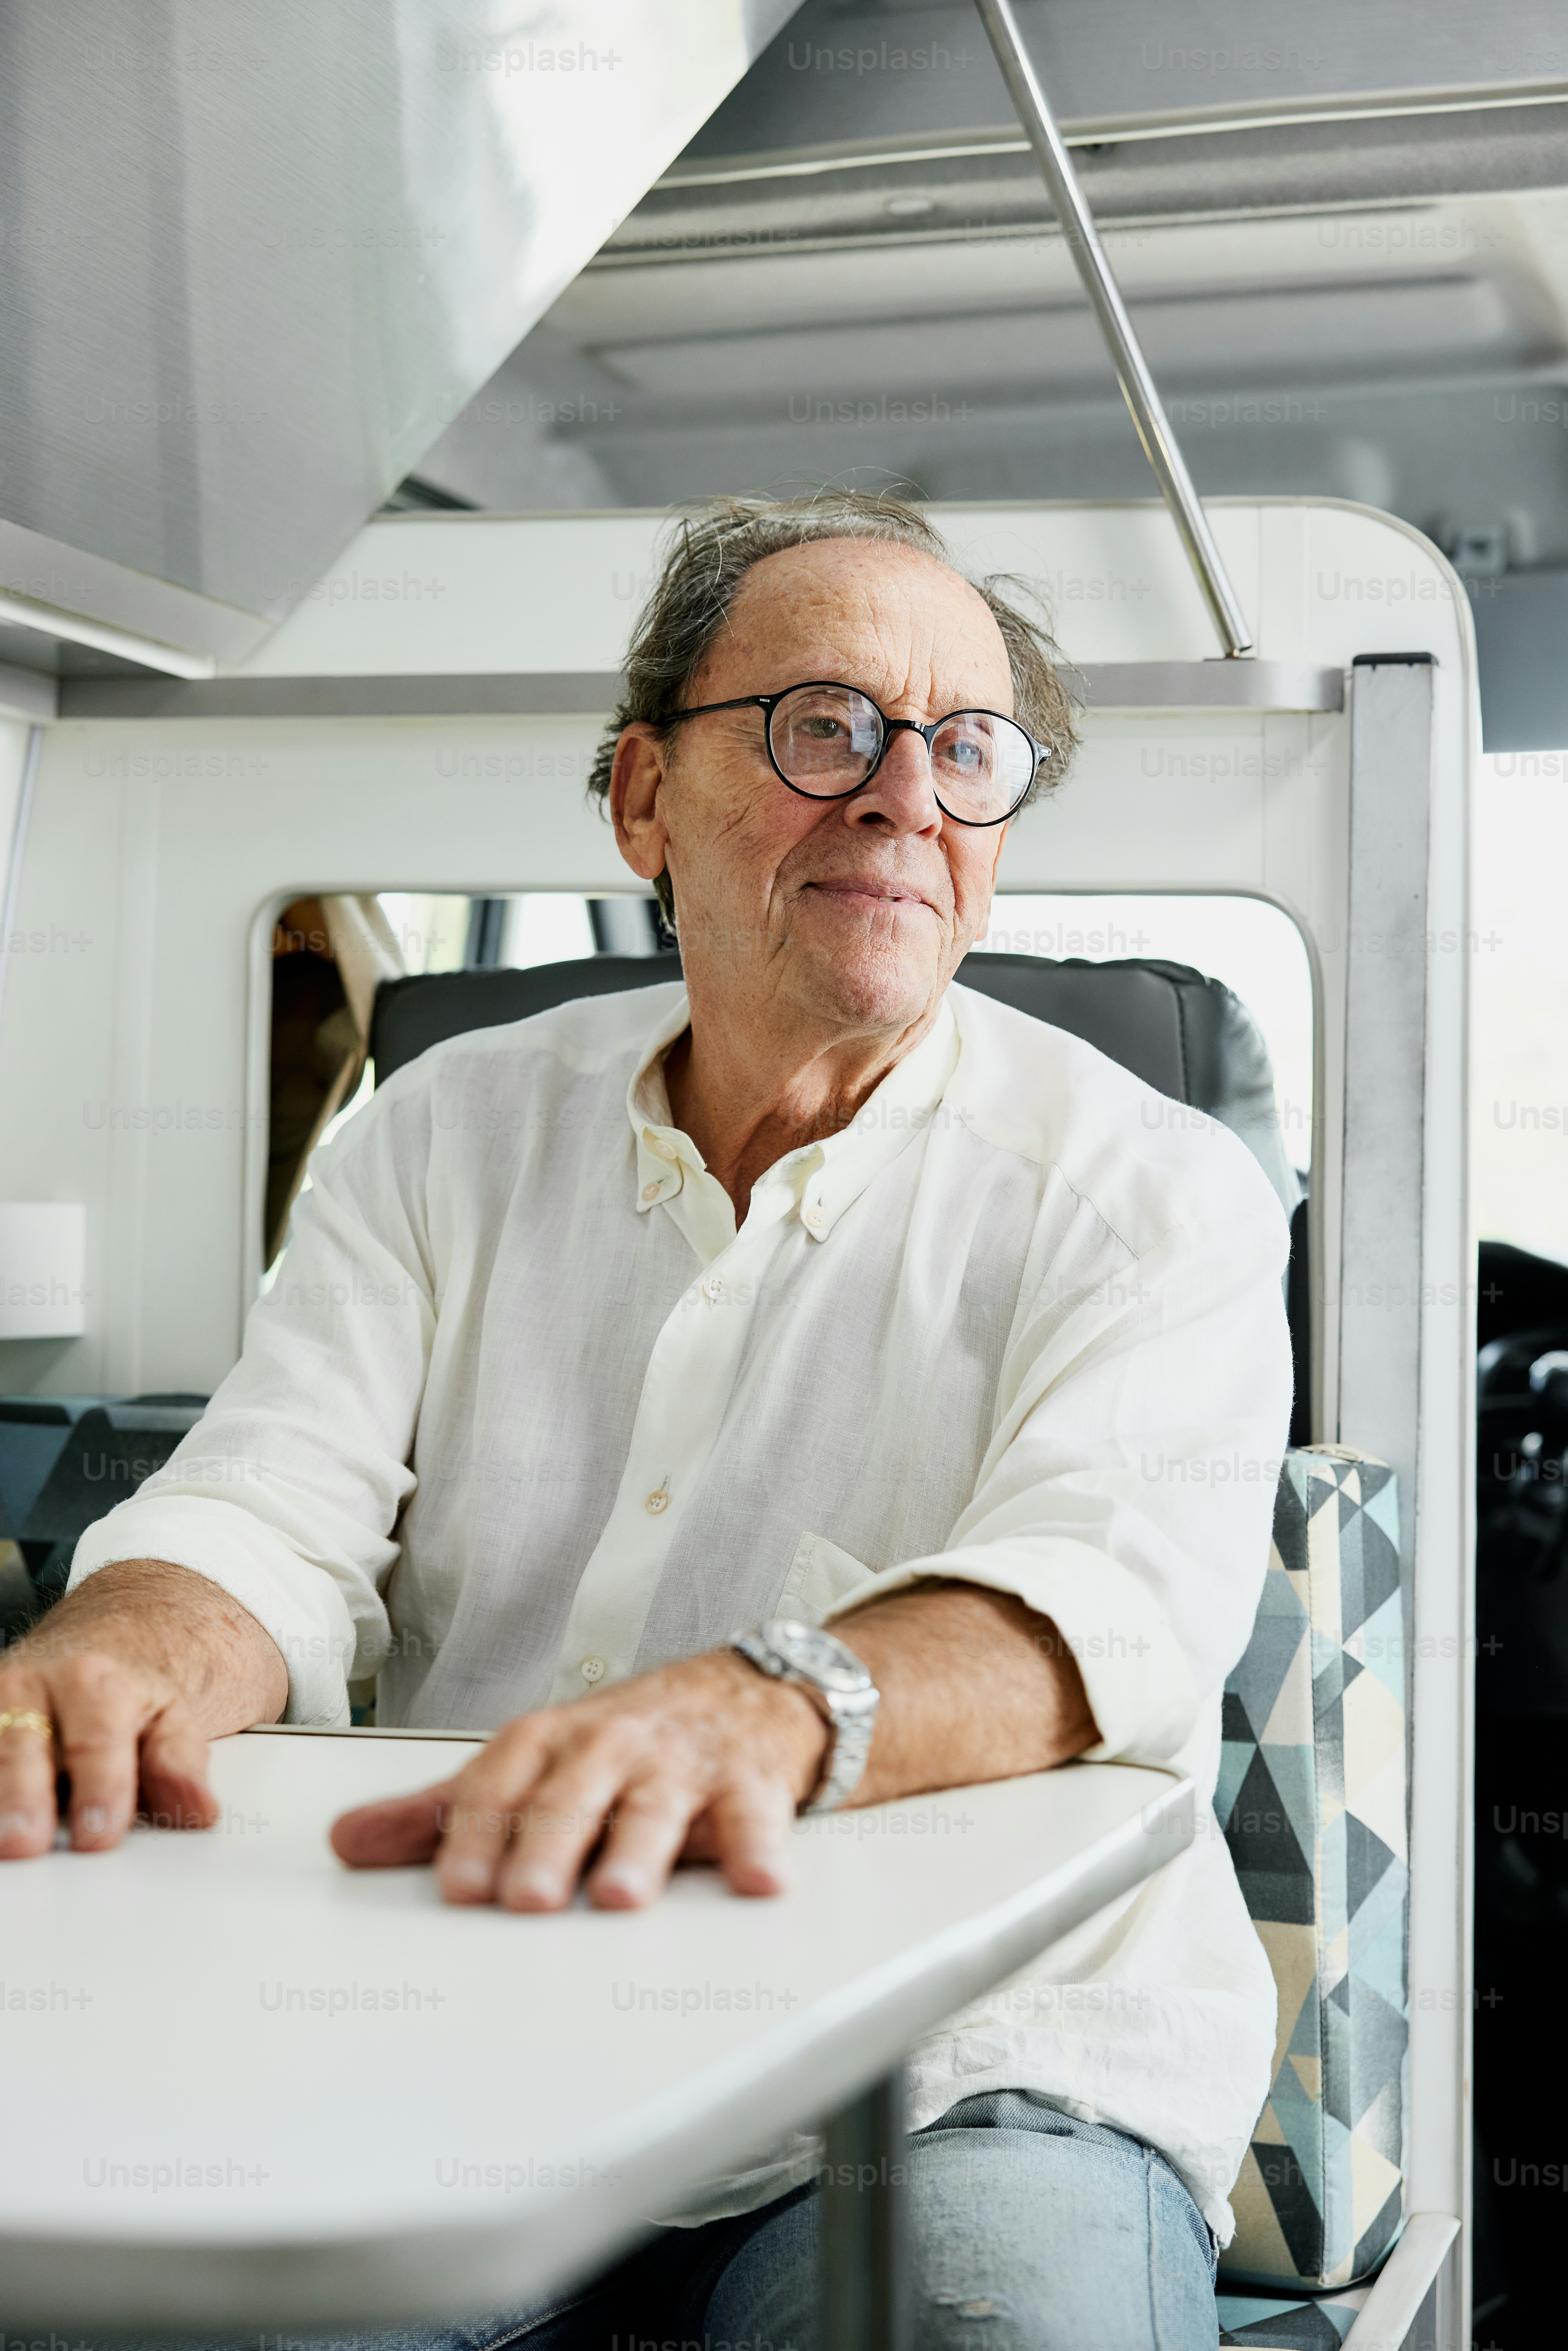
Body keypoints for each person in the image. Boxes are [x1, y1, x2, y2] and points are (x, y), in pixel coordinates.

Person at [0, 491, 1291, 2350]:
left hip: (963, 2083)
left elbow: (1099, 1608)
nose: (904, 795)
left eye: (966, 748)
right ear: (637, 800)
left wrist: (765, 1703)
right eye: (823, 724)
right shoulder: (435, 1132)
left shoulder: (1153, 1190)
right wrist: (118, 1650)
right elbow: (263, 1522)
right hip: (450, 2024)